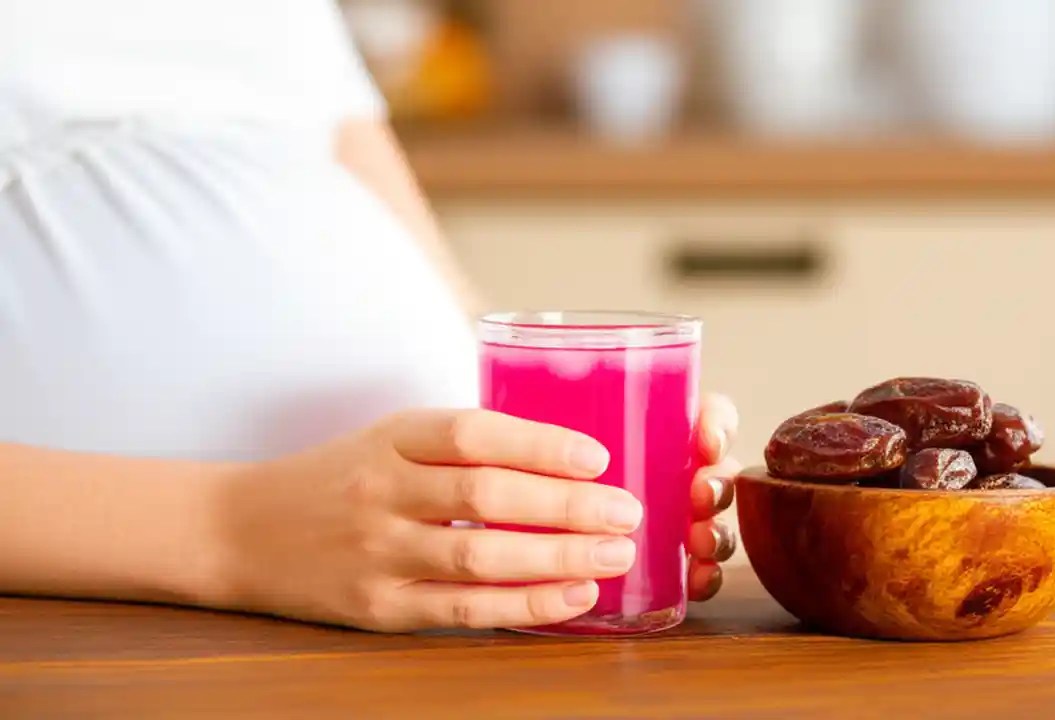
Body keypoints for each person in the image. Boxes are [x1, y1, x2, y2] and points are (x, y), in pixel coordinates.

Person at [0, 0, 740, 632]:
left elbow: (429, 270)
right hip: (130, 634)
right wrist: (234, 530)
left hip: (435, 622)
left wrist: (544, 464)